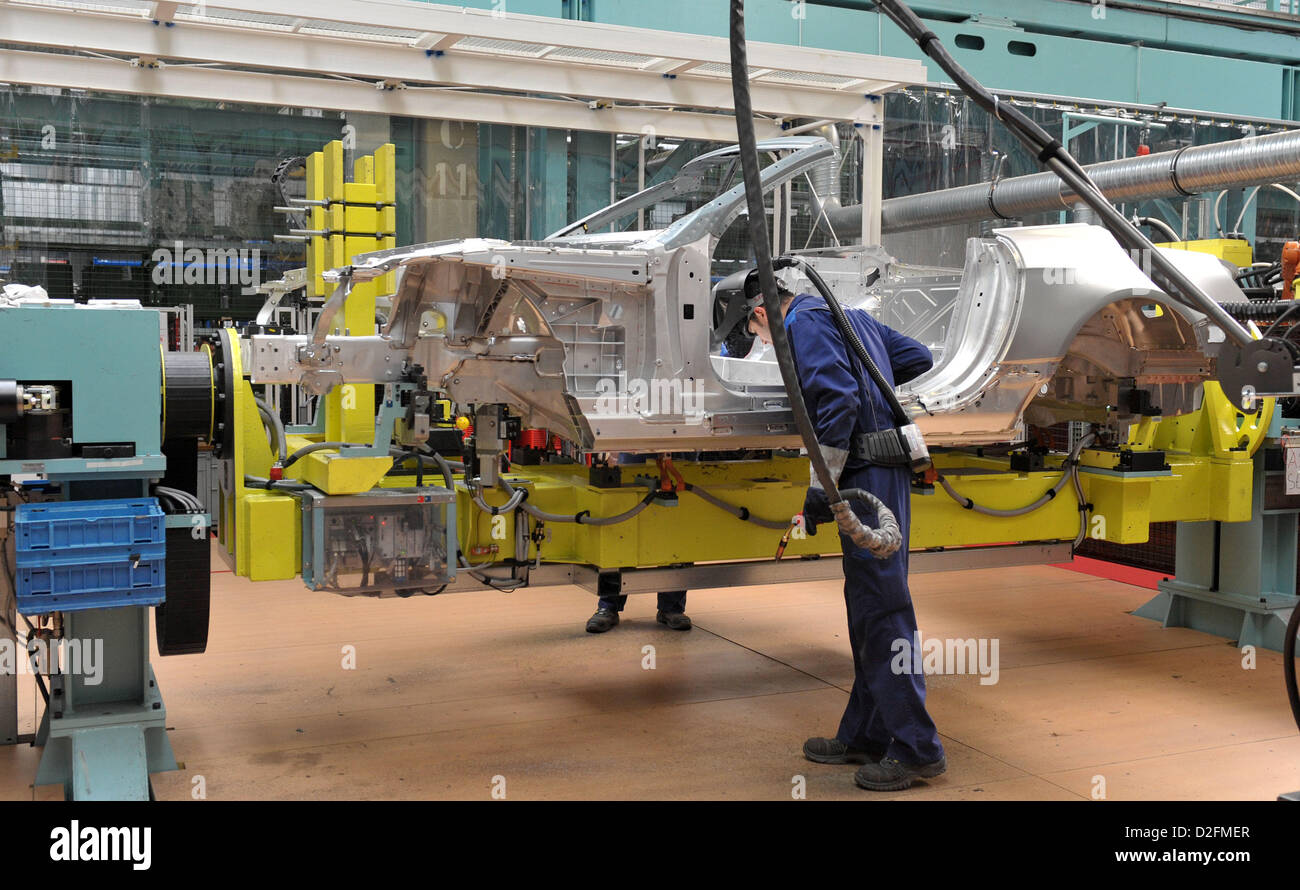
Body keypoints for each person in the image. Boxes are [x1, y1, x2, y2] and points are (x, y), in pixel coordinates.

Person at [747, 282, 946, 792]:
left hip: (863, 475)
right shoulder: (851, 317)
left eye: (756, 333)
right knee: (868, 610)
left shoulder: (804, 322)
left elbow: (837, 399)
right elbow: (918, 357)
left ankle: (918, 750)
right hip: (884, 468)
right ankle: (866, 734)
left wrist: (823, 485)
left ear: (762, 312)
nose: (765, 345)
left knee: (882, 612)